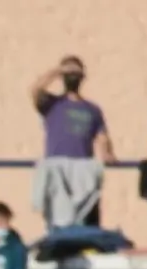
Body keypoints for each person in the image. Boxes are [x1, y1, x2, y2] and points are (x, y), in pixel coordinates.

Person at [30, 56, 114, 229]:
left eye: (75, 72)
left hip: (83, 168)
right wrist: (58, 71)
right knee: (57, 216)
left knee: (86, 215)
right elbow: (36, 89)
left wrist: (107, 153)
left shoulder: (92, 109)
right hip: (57, 170)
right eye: (69, 72)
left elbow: (102, 136)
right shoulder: (52, 104)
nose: (72, 75)